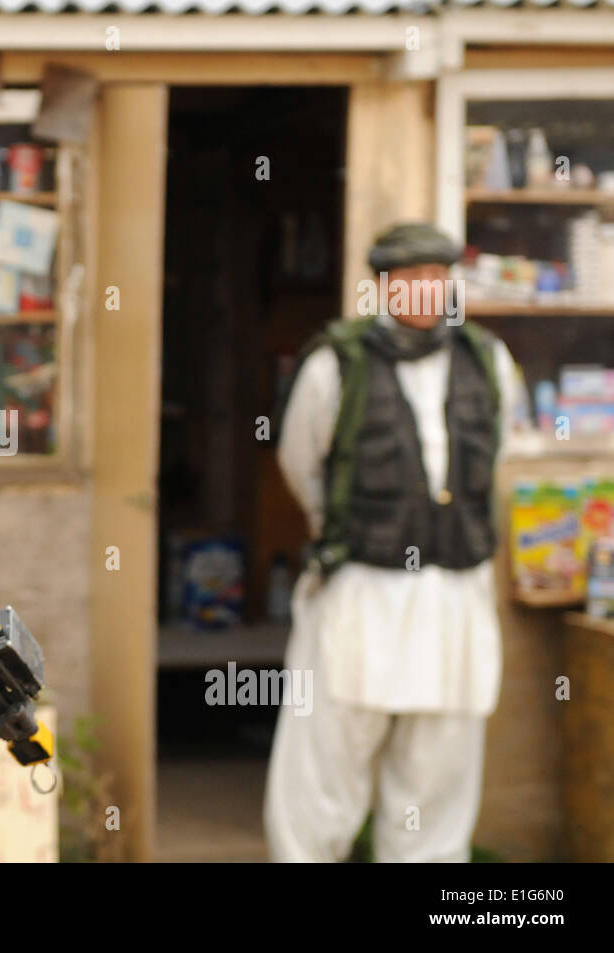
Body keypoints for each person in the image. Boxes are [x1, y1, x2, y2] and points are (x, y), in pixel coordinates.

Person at [264, 222, 526, 862]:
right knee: (326, 769)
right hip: (363, 592)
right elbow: (303, 464)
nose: (424, 293)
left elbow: (499, 460)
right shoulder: (337, 365)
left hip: (456, 596)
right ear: (382, 287)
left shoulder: (486, 360)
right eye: (408, 280)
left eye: (437, 279)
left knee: (436, 776)